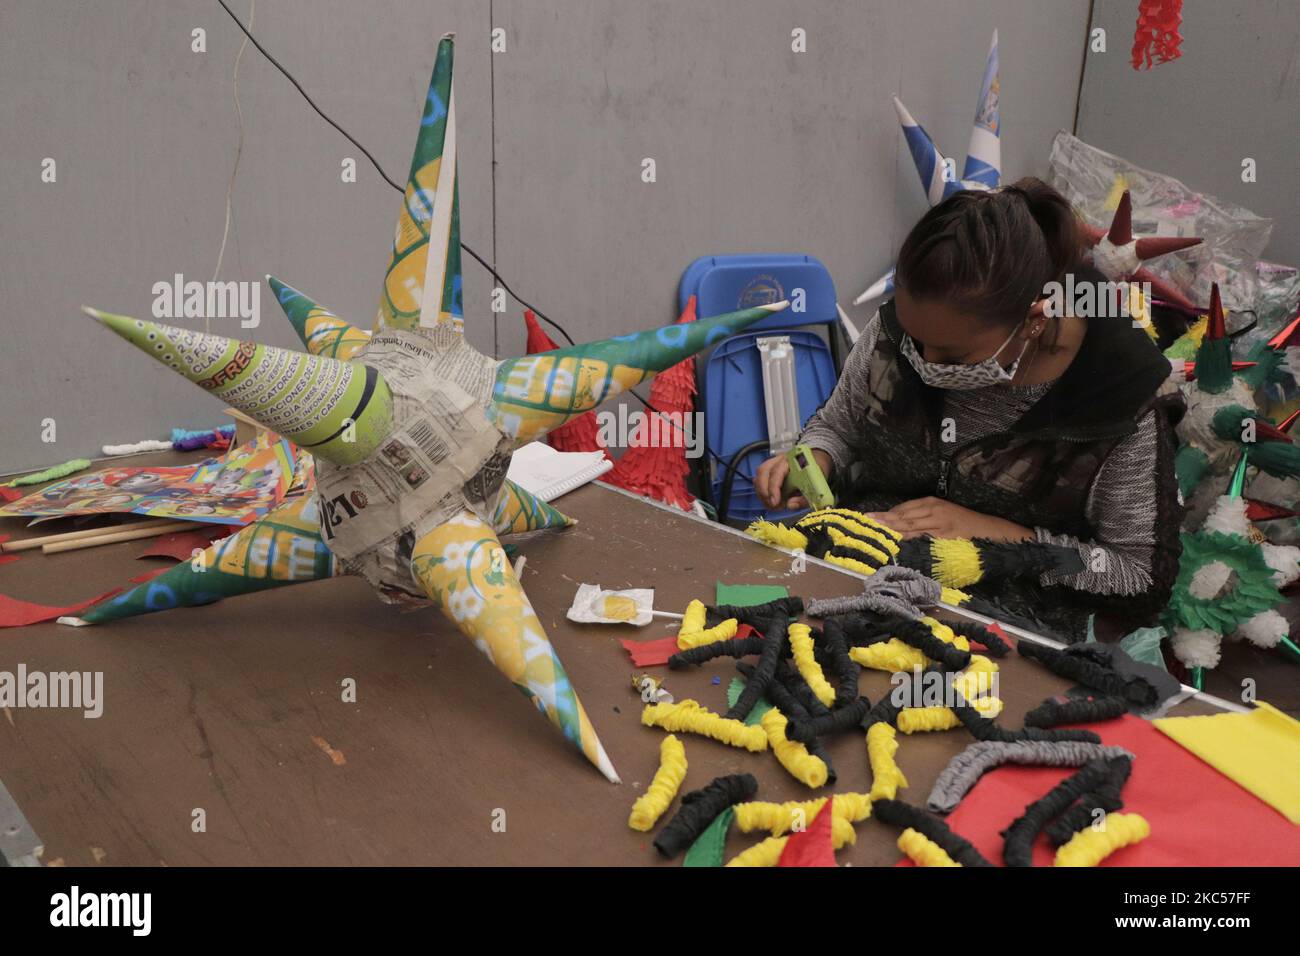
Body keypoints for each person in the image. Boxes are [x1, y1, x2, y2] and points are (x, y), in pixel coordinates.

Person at [755, 178, 1185, 640]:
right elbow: (839, 425)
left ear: (1034, 322)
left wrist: (1000, 538)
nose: (923, 364)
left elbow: (1138, 575)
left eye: (953, 356)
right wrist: (818, 456)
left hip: (1006, 632)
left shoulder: (1117, 399)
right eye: (915, 342)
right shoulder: (898, 333)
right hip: (856, 581)